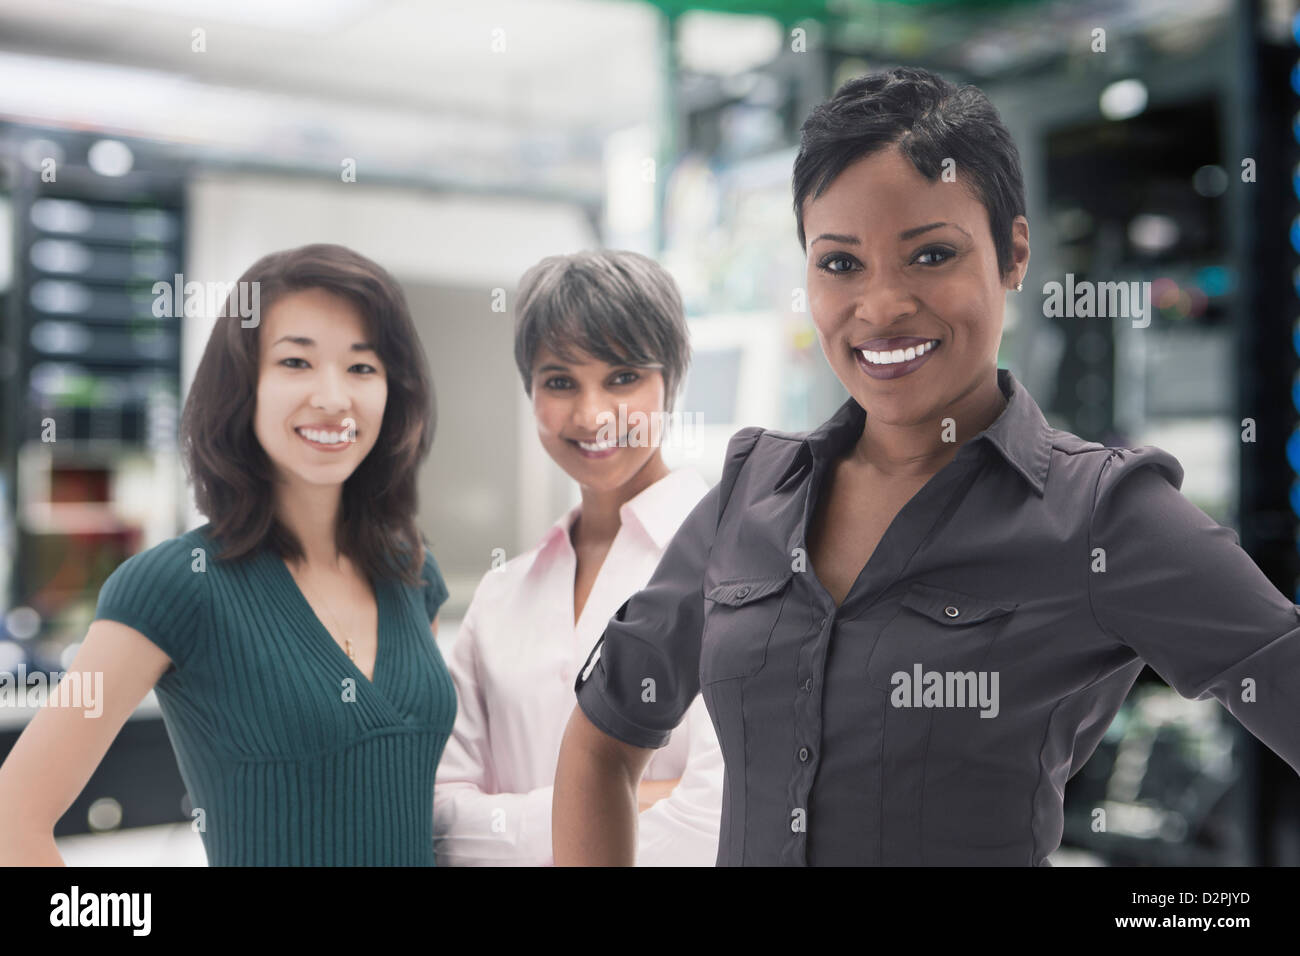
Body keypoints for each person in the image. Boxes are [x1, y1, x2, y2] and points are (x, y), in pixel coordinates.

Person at [553, 66, 1300, 866]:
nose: (881, 307)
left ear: (1013, 253)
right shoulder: (749, 494)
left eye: (931, 254)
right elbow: (602, 743)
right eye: (840, 264)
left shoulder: (1103, 514)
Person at [0, 243, 455, 866]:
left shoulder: (412, 573)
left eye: (361, 366)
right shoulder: (173, 585)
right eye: (295, 361)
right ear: (243, 388)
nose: (332, 397)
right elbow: (12, 821)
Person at [433, 250, 723, 866]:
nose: (592, 415)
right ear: (531, 392)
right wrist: (629, 801)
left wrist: (514, 820)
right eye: (561, 382)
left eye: (623, 377)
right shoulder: (501, 595)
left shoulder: (733, 567)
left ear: (670, 381)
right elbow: (442, 822)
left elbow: (715, 822)